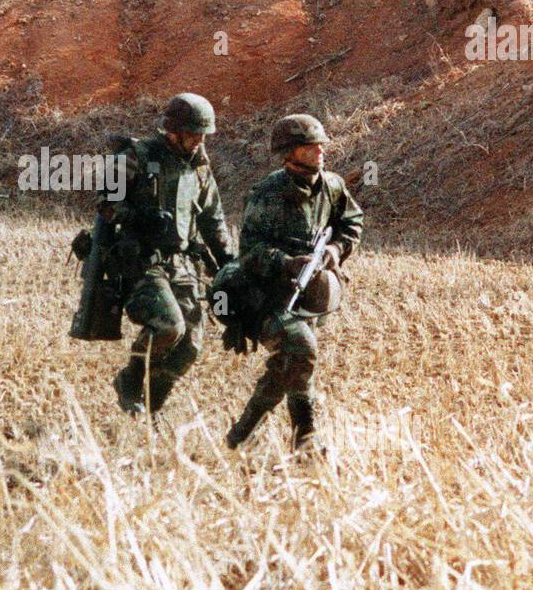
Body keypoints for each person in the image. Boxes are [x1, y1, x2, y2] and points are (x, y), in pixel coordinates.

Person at [225, 113, 363, 451]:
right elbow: (249, 252)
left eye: (321, 144)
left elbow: (352, 223)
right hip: (268, 295)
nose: (320, 150)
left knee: (293, 366)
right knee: (302, 351)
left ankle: (244, 436)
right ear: (289, 153)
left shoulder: (332, 186)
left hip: (309, 294)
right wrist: (286, 262)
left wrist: (335, 249)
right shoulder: (267, 193)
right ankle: (304, 437)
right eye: (309, 146)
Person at [100, 93, 235, 416]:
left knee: (191, 344)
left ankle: (151, 409)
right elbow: (107, 203)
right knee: (169, 327)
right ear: (173, 131)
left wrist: (228, 263)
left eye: (203, 134)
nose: (199, 140)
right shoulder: (137, 156)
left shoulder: (200, 169)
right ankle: (130, 380)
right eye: (193, 133)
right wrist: (139, 217)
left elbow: (213, 220)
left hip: (183, 263)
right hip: (141, 261)